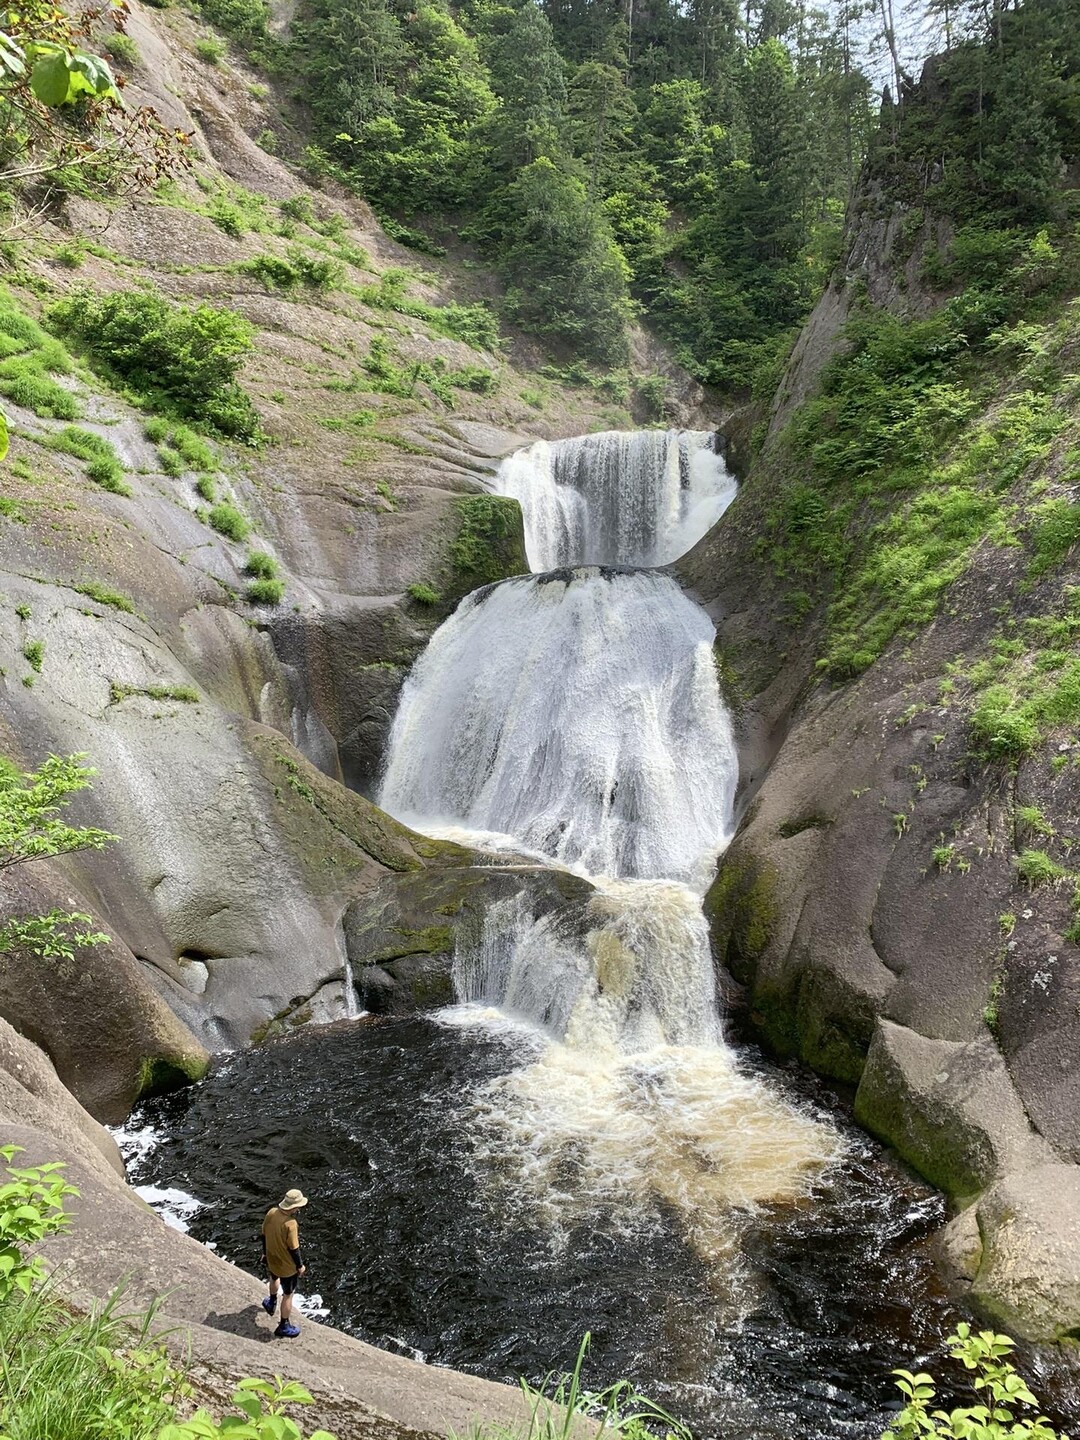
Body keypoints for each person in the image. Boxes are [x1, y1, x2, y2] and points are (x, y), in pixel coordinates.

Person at [261, 1187, 309, 1338]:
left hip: (271, 1257)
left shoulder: (271, 1212)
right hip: (286, 1266)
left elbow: (264, 1234)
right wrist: (300, 1266)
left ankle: (271, 1302)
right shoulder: (291, 1224)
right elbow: (294, 1248)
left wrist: (264, 1253)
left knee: (273, 1277)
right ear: (294, 1207)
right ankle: (284, 1325)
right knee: (288, 1294)